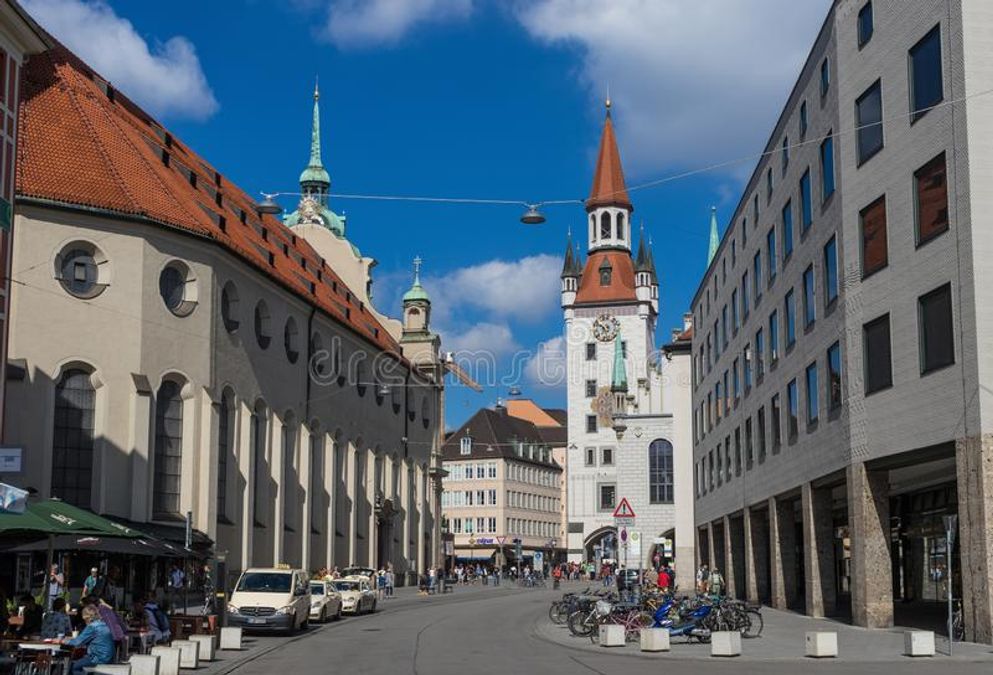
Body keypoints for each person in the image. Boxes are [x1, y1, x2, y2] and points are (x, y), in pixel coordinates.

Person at [64, 604, 115, 675]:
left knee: (72, 666)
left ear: (87, 617)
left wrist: (62, 641)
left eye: (84, 619)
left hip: (98, 658)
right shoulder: (103, 624)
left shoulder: (92, 626)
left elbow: (77, 642)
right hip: (109, 657)